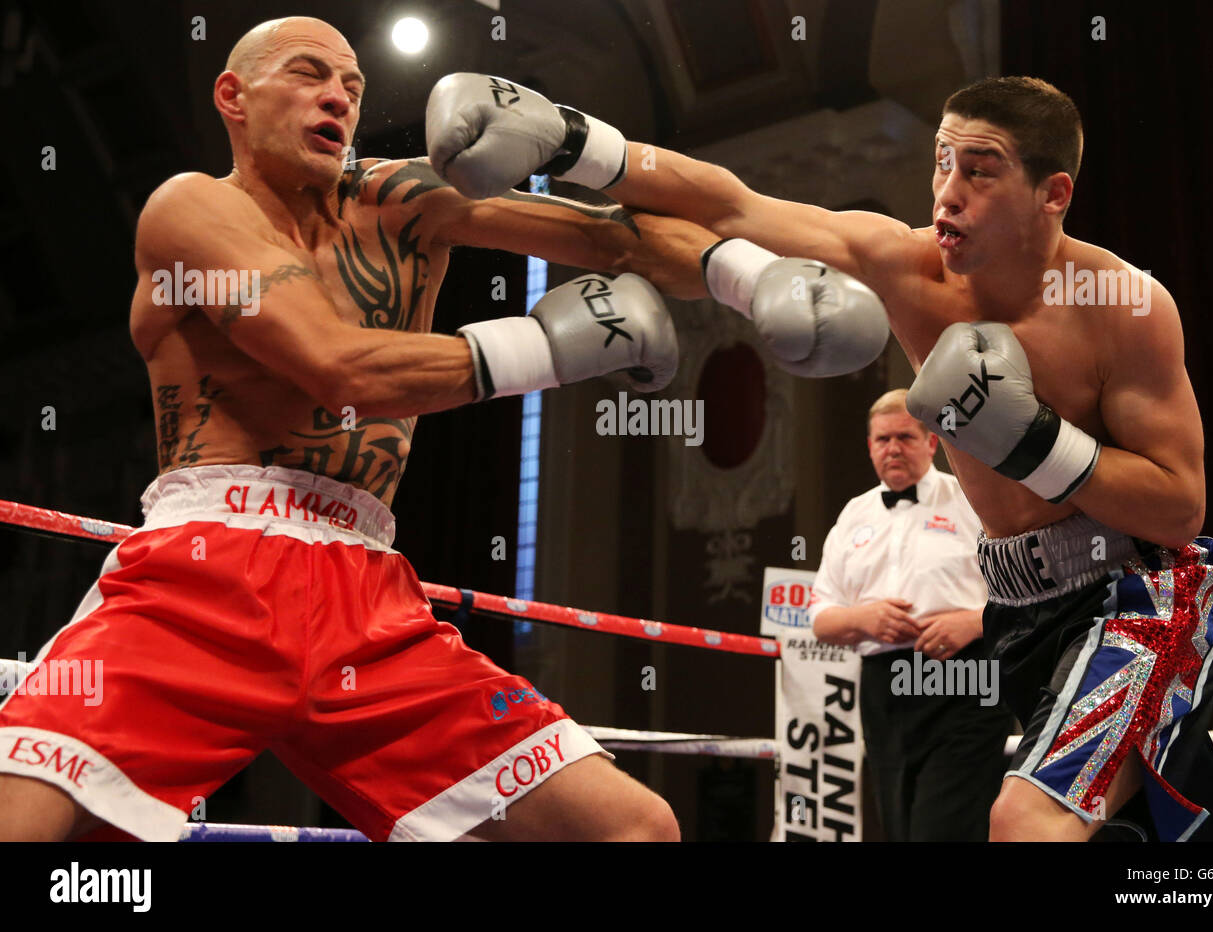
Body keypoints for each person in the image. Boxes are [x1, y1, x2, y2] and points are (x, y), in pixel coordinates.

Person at [0, 17, 887, 842]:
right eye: (307, 75)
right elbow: (337, 367)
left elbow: (623, 240)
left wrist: (752, 278)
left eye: (349, 83)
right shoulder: (190, 209)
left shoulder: (402, 201)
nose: (337, 98)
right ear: (233, 97)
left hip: (366, 593)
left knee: (633, 827)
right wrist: (544, 346)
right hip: (209, 571)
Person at [425, 73, 1213, 841]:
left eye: (981, 171)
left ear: (1053, 194)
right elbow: (728, 201)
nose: (946, 192)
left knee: (1028, 821)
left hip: (1140, 593)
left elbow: (1180, 507)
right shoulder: (906, 265)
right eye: (940, 161)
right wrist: (573, 142)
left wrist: (1033, 440)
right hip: (1017, 607)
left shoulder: (1124, 307)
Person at [810, 389, 1010, 841]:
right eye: (882, 439)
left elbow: (1030, 595)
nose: (893, 448)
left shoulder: (973, 500)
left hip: (966, 676)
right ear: (869, 446)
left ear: (932, 442)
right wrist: (863, 620)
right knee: (900, 827)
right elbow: (820, 617)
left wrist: (972, 622)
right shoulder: (853, 515)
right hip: (886, 685)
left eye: (904, 436)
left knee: (943, 828)